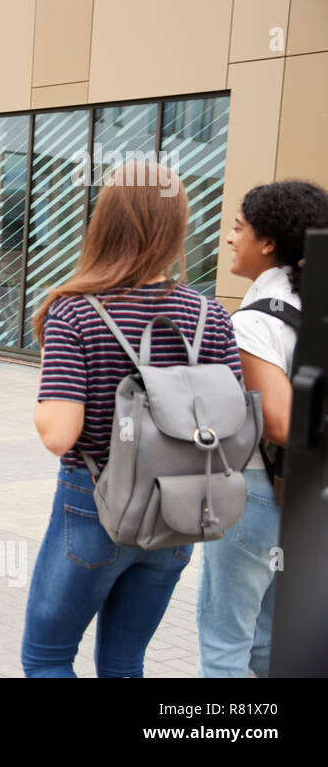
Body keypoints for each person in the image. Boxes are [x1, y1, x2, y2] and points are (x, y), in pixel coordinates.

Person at [24, 162, 243, 677]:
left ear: (105, 223)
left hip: (95, 505)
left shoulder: (75, 311)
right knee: (124, 663)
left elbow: (59, 434)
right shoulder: (211, 316)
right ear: (176, 228)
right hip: (181, 511)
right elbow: (235, 428)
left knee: (47, 660)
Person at [197, 180, 328, 677]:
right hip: (301, 497)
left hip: (254, 490)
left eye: (238, 227)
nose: (230, 238)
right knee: (269, 645)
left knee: (224, 645)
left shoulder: (254, 321)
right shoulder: (311, 310)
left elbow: (276, 420)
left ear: (268, 242)